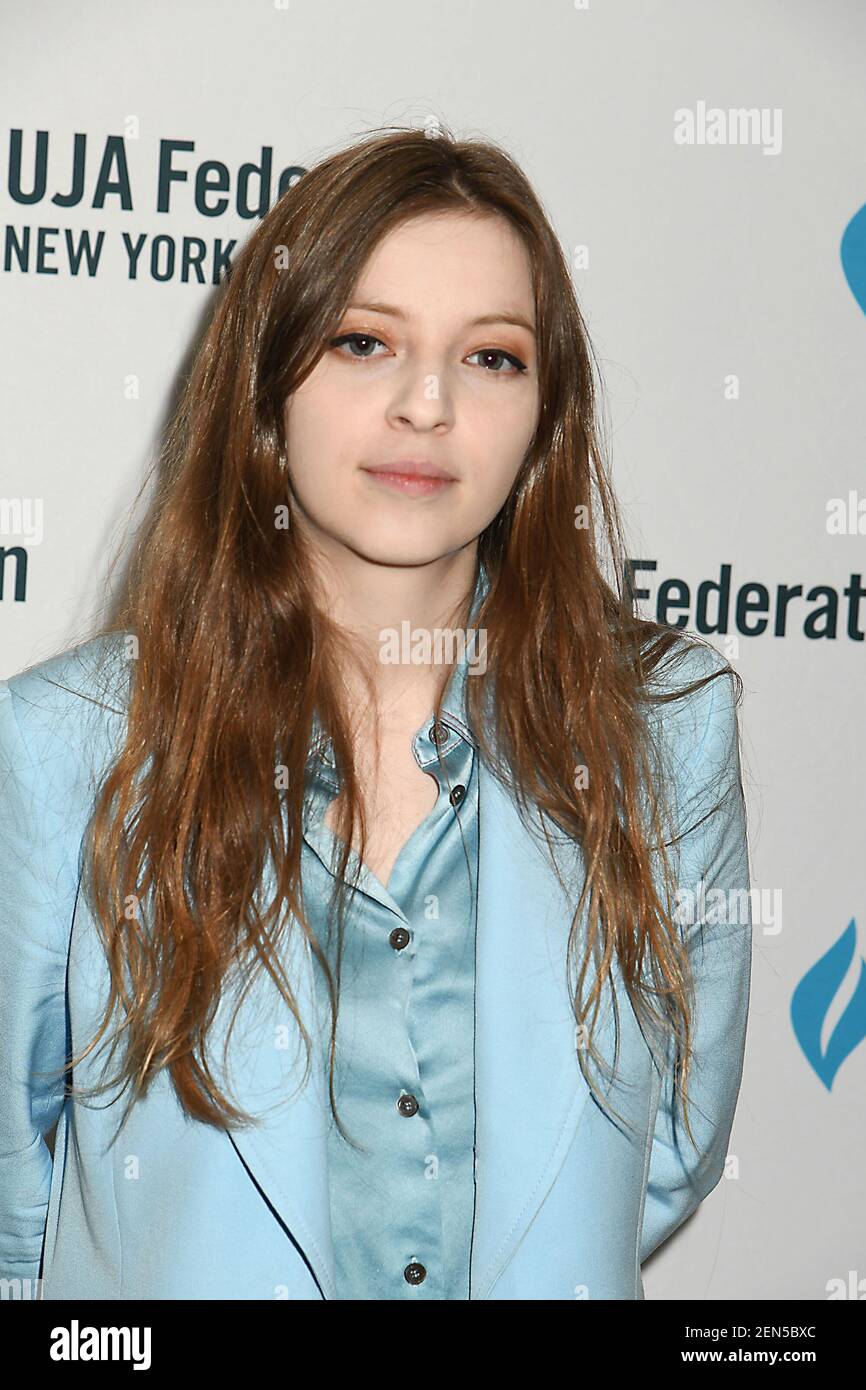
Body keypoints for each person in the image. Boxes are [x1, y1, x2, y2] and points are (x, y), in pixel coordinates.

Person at [0, 124, 752, 1301]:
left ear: (544, 415)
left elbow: (665, 1145)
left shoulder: (664, 726)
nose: (427, 404)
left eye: (492, 357)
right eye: (363, 342)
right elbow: (12, 1186)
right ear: (264, 386)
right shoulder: (65, 743)